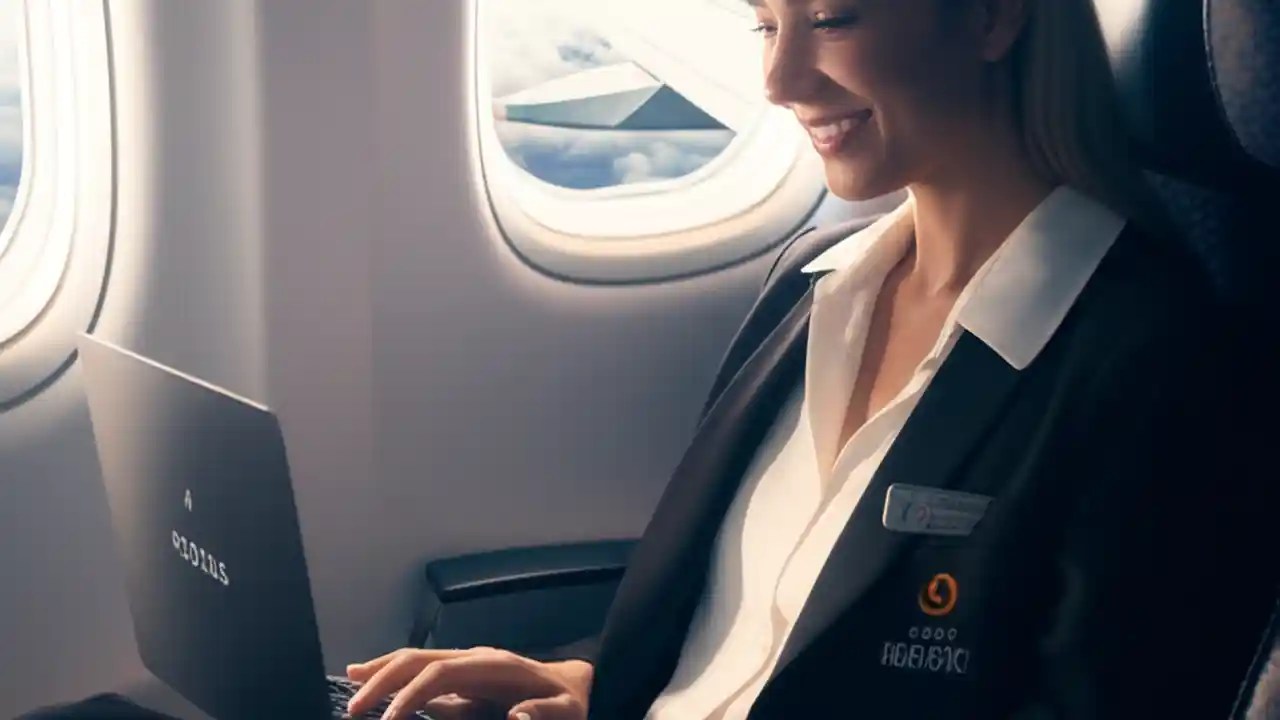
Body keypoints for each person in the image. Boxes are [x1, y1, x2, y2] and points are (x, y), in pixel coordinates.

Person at [22, 0, 1276, 718]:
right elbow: (758, 642)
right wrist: (576, 687)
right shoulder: (815, 293)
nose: (779, 76)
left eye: (830, 15)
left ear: (993, 14)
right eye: (763, 19)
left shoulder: (1146, 370)